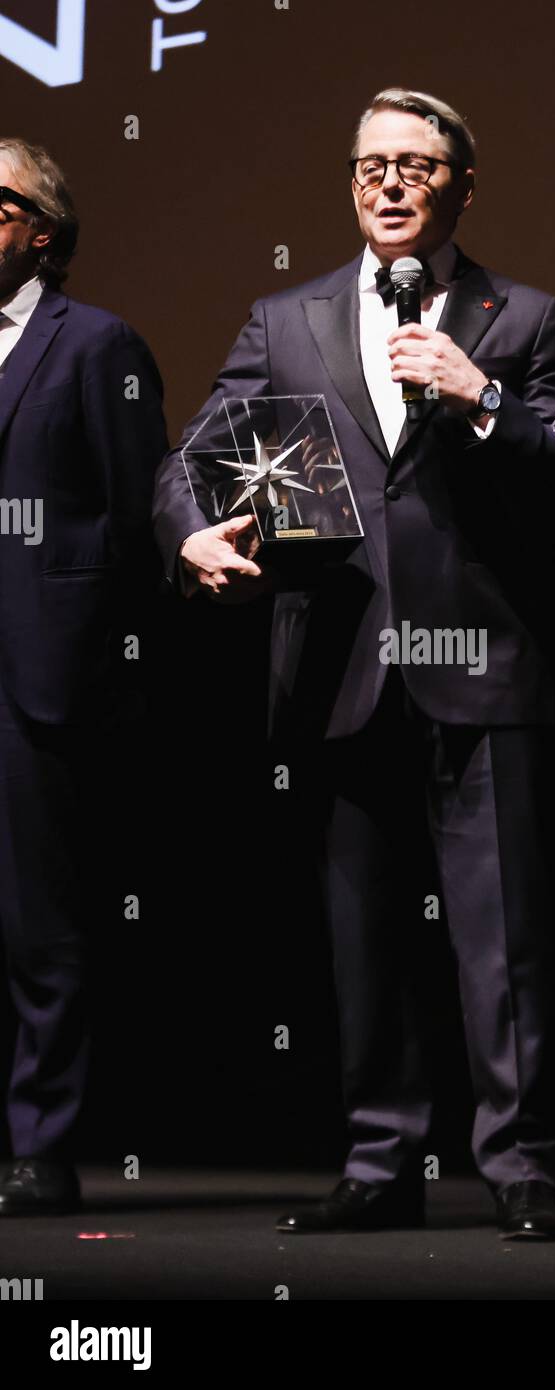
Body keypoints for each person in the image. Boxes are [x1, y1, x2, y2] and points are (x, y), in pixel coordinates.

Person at [153, 88, 555, 1239]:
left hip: (486, 662)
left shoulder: (524, 314)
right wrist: (188, 532)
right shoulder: (284, 317)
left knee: (506, 937)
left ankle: (520, 1165)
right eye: (370, 167)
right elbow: (193, 458)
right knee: (365, 935)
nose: (390, 183)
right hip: (341, 659)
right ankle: (378, 1158)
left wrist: (481, 394)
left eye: (415, 164)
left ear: (459, 183)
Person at [0, 140, 167, 1214]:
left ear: (38, 231)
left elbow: (138, 517)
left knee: (38, 925)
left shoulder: (97, 342)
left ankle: (41, 1143)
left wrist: (104, 666)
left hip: (34, 679)